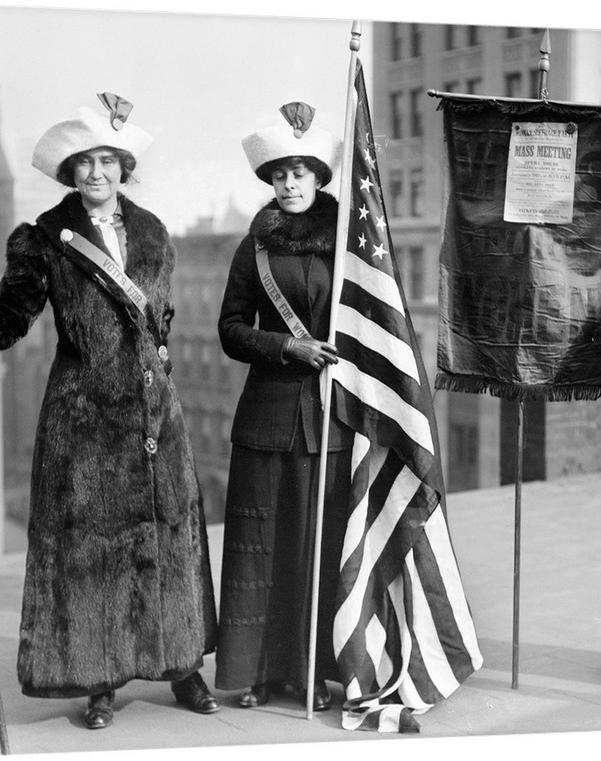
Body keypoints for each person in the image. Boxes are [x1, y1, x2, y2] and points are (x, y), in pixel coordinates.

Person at [0, 95, 219, 728]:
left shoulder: (155, 231)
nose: (96, 172)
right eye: (84, 161)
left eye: (107, 160)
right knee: (91, 552)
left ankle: (183, 664)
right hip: (84, 423)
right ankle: (98, 678)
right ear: (69, 170)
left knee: (171, 539)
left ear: (124, 166)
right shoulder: (44, 239)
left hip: (157, 418)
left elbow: (160, 320)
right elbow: (3, 323)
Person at [214, 102, 351, 711]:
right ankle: (259, 674)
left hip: (328, 418)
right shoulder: (256, 247)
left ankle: (311, 673)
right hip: (266, 418)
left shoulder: (349, 244)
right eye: (279, 174)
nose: (290, 183)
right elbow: (229, 329)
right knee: (261, 547)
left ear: (320, 178)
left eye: (300, 172)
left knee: (315, 548)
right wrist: (286, 346)